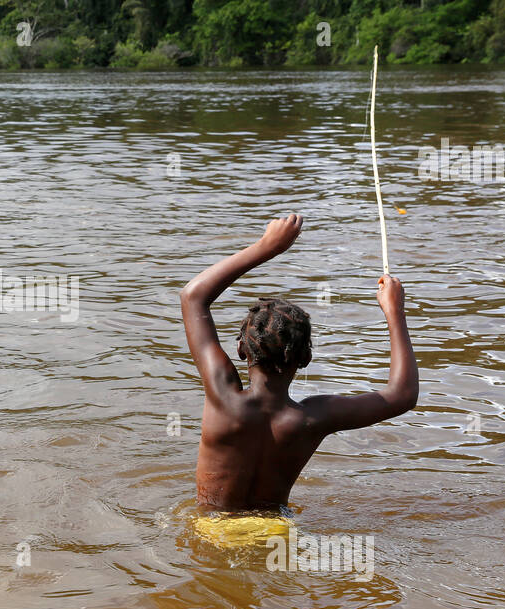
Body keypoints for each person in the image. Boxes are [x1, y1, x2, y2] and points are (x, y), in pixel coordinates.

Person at [179, 213, 418, 516]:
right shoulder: (314, 417)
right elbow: (403, 395)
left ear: (241, 350)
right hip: (274, 530)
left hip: (212, 528)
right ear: (305, 359)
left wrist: (267, 247)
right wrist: (394, 311)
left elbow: (193, 297)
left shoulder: (223, 397)